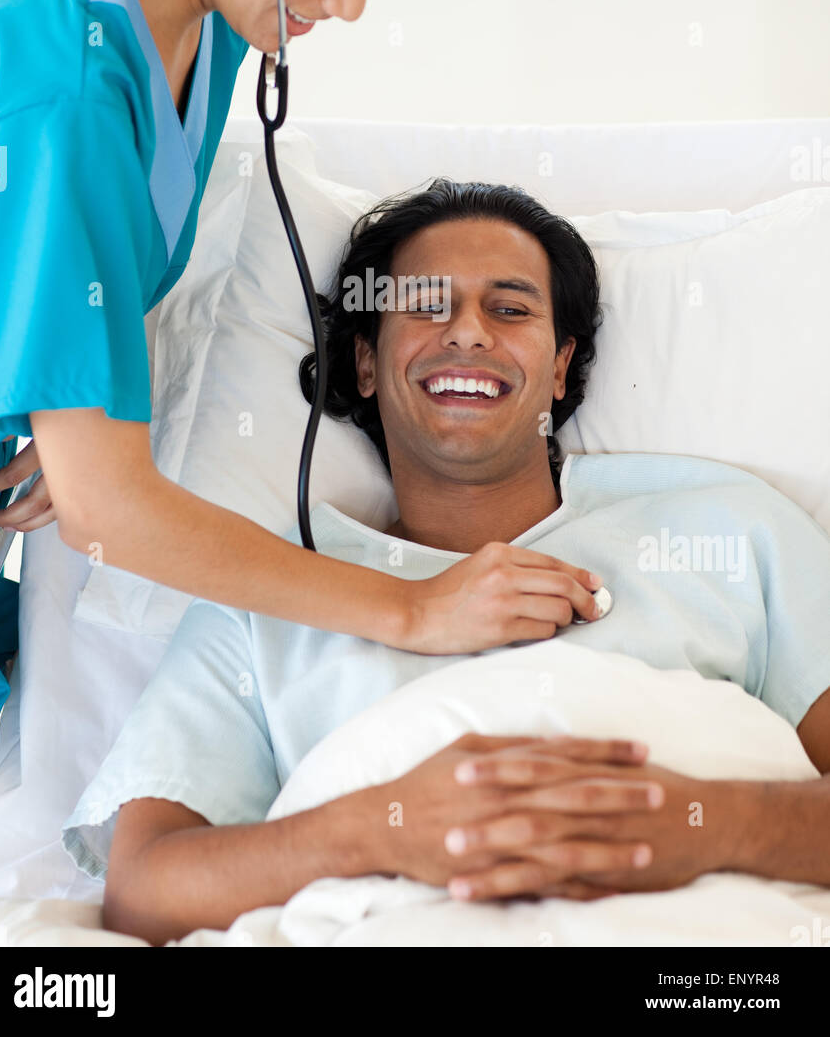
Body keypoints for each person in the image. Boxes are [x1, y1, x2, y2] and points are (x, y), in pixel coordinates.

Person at [0, 0, 594, 802]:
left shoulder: (189, 33)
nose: (344, 8)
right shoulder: (60, 94)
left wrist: (58, 405)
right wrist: (412, 606)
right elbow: (111, 513)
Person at [61, 181, 830, 945]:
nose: (468, 333)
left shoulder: (728, 530)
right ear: (365, 363)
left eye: (511, 308)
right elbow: (145, 892)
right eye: (426, 306)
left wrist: (710, 825)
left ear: (561, 369)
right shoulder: (264, 596)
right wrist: (382, 831)